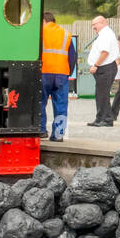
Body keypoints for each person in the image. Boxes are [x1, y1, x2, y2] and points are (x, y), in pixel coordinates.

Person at [40, 11, 75, 142]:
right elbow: (72, 56)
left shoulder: (40, 32)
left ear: (43, 21)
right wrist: (68, 72)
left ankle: (41, 130)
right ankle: (58, 134)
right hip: (61, 73)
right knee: (61, 105)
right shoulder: (66, 34)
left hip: (43, 71)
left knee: (40, 102)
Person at [86, 15, 120, 127]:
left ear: (102, 23)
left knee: (102, 94)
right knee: (100, 94)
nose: (93, 27)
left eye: (94, 24)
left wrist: (95, 65)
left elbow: (104, 52)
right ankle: (100, 118)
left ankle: (107, 119)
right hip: (105, 67)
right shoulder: (105, 34)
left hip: (105, 68)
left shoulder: (106, 35)